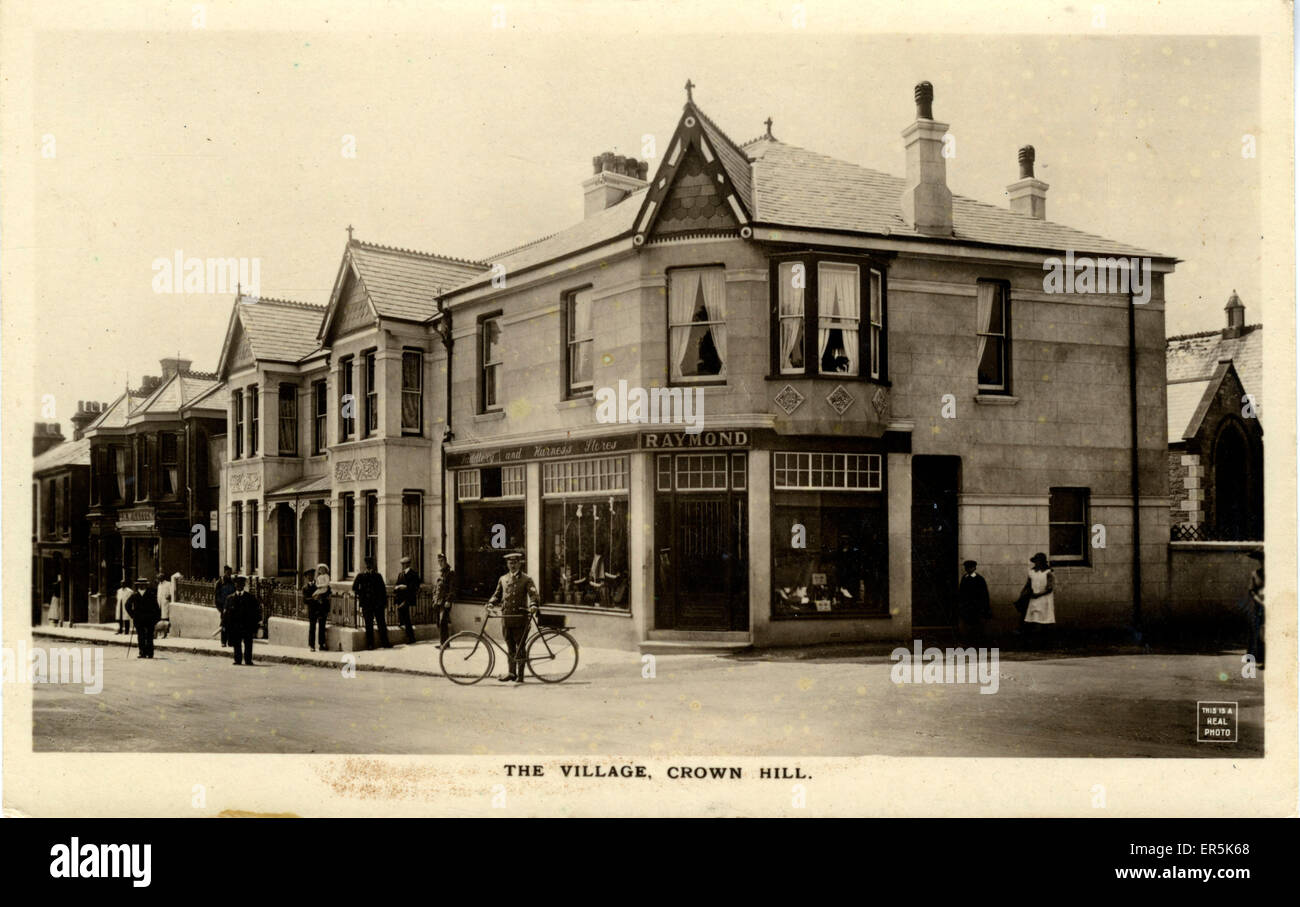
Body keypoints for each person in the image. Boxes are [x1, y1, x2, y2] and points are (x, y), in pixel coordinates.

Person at [487, 552, 539, 684]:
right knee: (510, 647)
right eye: (510, 563)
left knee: (520, 648)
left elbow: (533, 595)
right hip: (507, 619)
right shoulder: (503, 579)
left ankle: (520, 676)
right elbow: (497, 594)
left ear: (519, 563)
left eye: (515, 563)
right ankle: (511, 673)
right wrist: (491, 603)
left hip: (520, 618)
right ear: (507, 564)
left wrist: (533, 604)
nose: (513, 565)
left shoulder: (527, 579)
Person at [352, 557, 391, 650]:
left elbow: (383, 590)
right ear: (365, 565)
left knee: (381, 623)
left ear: (373, 565)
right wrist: (362, 594)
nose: (369, 566)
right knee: (368, 625)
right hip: (366, 604)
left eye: (370, 564)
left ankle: (385, 642)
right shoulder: (360, 576)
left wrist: (384, 602)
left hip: (378, 604)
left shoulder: (378, 576)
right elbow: (354, 588)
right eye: (367, 564)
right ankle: (370, 644)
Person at [223, 575, 261, 666]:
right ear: (235, 585)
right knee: (236, 643)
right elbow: (226, 614)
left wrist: (256, 625)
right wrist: (225, 625)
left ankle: (248, 660)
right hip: (235, 626)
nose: (239, 586)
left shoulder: (250, 598)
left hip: (247, 625)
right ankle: (237, 659)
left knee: (248, 643)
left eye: (241, 584)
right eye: (237, 584)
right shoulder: (230, 598)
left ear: (244, 585)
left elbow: (256, 612)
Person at [1022, 552, 1056, 644]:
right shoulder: (1031, 572)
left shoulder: (1048, 572)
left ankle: (1045, 641)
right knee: (1033, 619)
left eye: (1038, 561)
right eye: (1036, 561)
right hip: (1033, 599)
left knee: (1044, 620)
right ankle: (1035, 641)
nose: (1037, 563)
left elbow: (1050, 588)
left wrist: (1039, 594)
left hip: (1045, 599)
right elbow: (1028, 584)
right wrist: (1023, 594)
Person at [125, 577, 161, 659]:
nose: (141, 586)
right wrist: (132, 614)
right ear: (138, 585)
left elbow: (156, 607)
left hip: (149, 619)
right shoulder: (134, 595)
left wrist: (155, 619)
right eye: (139, 584)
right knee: (140, 636)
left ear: (146, 585)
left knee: (149, 636)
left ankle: (150, 653)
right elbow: (127, 605)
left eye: (143, 584)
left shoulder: (151, 595)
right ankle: (142, 653)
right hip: (138, 619)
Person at [955, 559, 991, 643]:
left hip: (976, 606)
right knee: (967, 623)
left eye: (970, 567)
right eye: (967, 567)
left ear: (974, 568)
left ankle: (977, 640)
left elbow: (984, 594)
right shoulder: (964, 578)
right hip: (967, 605)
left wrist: (984, 606)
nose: (968, 569)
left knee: (977, 623)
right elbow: (961, 592)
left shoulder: (979, 579)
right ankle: (969, 640)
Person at [393, 555, 421, 645]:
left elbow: (415, 587)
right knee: (405, 615)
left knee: (403, 612)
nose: (403, 566)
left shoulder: (413, 574)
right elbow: (396, 585)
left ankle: (411, 637)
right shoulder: (400, 574)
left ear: (408, 564)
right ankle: (406, 630)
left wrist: (404, 587)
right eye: (402, 564)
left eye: (404, 564)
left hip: (408, 598)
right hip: (401, 598)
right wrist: (397, 587)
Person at [1245, 550, 1264, 667]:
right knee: (1256, 630)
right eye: (1261, 560)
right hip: (1259, 606)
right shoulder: (1255, 574)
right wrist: (1260, 601)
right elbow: (1251, 591)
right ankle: (1255, 657)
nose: (1263, 562)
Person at [431, 553, 455, 647]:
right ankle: (444, 642)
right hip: (438, 602)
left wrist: (449, 600)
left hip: (445, 602)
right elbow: (436, 588)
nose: (440, 563)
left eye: (441, 561)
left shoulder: (450, 573)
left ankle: (444, 644)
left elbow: (452, 588)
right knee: (439, 622)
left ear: (445, 561)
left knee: (442, 621)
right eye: (439, 561)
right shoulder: (440, 573)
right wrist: (434, 599)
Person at [302, 569, 326, 651]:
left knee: (322, 627)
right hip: (312, 609)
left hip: (320, 609)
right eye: (309, 575)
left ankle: (321, 644)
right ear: (306, 577)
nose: (311, 577)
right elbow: (305, 600)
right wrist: (314, 599)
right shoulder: (305, 588)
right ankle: (311, 645)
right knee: (312, 628)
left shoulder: (319, 585)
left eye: (312, 575)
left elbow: (324, 593)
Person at [213, 566, 236, 647]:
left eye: (230, 572)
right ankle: (223, 641)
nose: (229, 574)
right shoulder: (219, 583)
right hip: (223, 607)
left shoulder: (232, 582)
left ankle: (230, 642)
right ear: (225, 572)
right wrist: (221, 609)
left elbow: (234, 595)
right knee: (223, 625)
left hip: (231, 608)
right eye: (228, 572)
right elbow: (216, 598)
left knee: (231, 625)